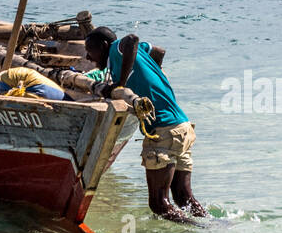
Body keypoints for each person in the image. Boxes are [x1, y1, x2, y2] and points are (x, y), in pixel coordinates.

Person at [84, 26, 205, 222]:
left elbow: (132, 38)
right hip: (183, 127)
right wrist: (154, 74)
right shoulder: (137, 53)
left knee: (158, 204)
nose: (87, 57)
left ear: (104, 45)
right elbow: (159, 51)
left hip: (164, 130)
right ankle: (216, 226)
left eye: (89, 50)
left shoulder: (116, 49)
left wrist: (121, 83)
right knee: (184, 200)